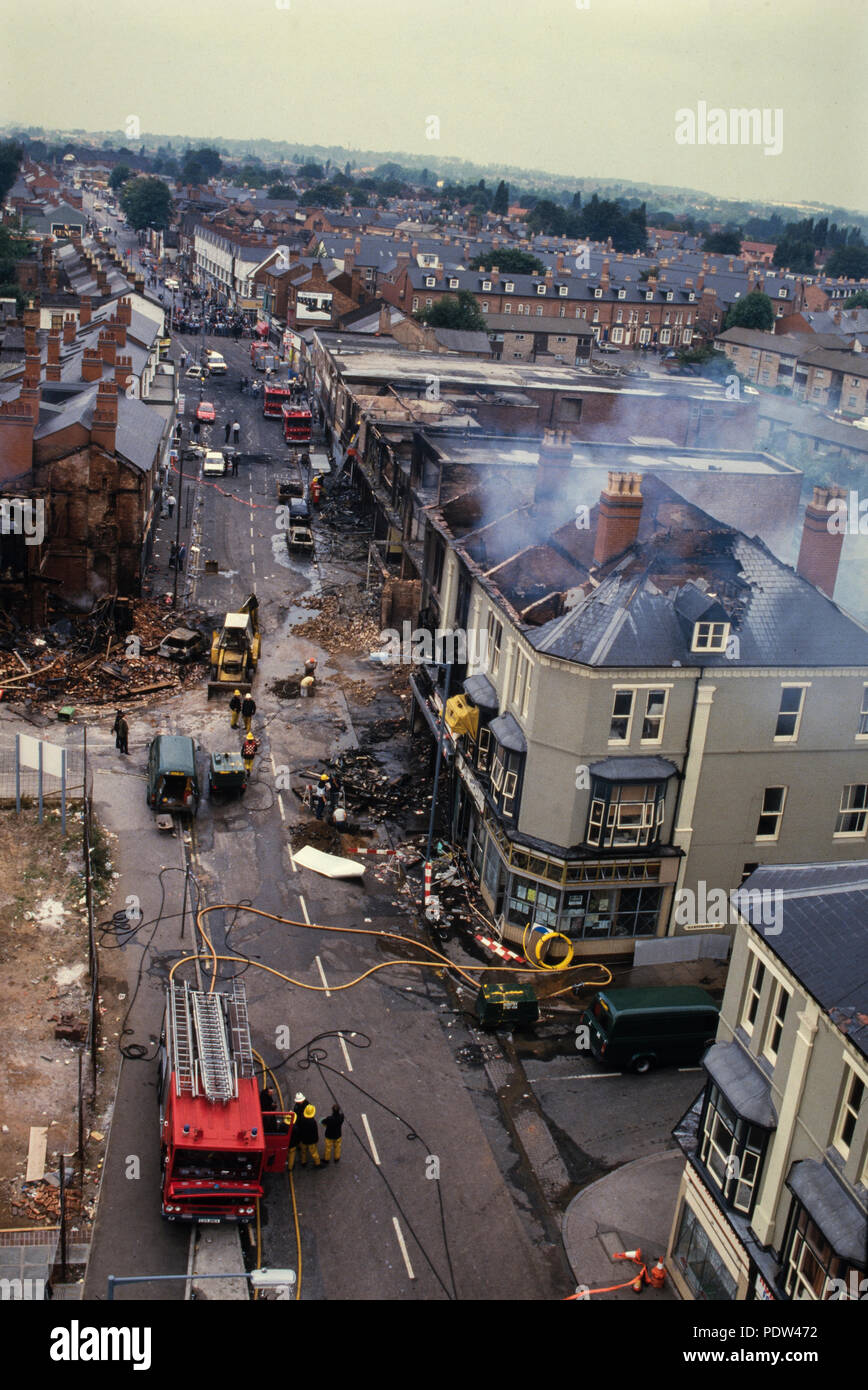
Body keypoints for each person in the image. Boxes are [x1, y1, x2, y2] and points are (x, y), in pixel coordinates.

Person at [290, 1103, 321, 1169]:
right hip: (311, 1140)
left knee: (303, 1151)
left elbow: (300, 1129)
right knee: (314, 1152)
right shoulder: (313, 1122)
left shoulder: (302, 1119)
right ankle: (317, 1163)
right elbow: (315, 1132)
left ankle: (303, 1162)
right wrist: (316, 1139)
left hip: (303, 1139)